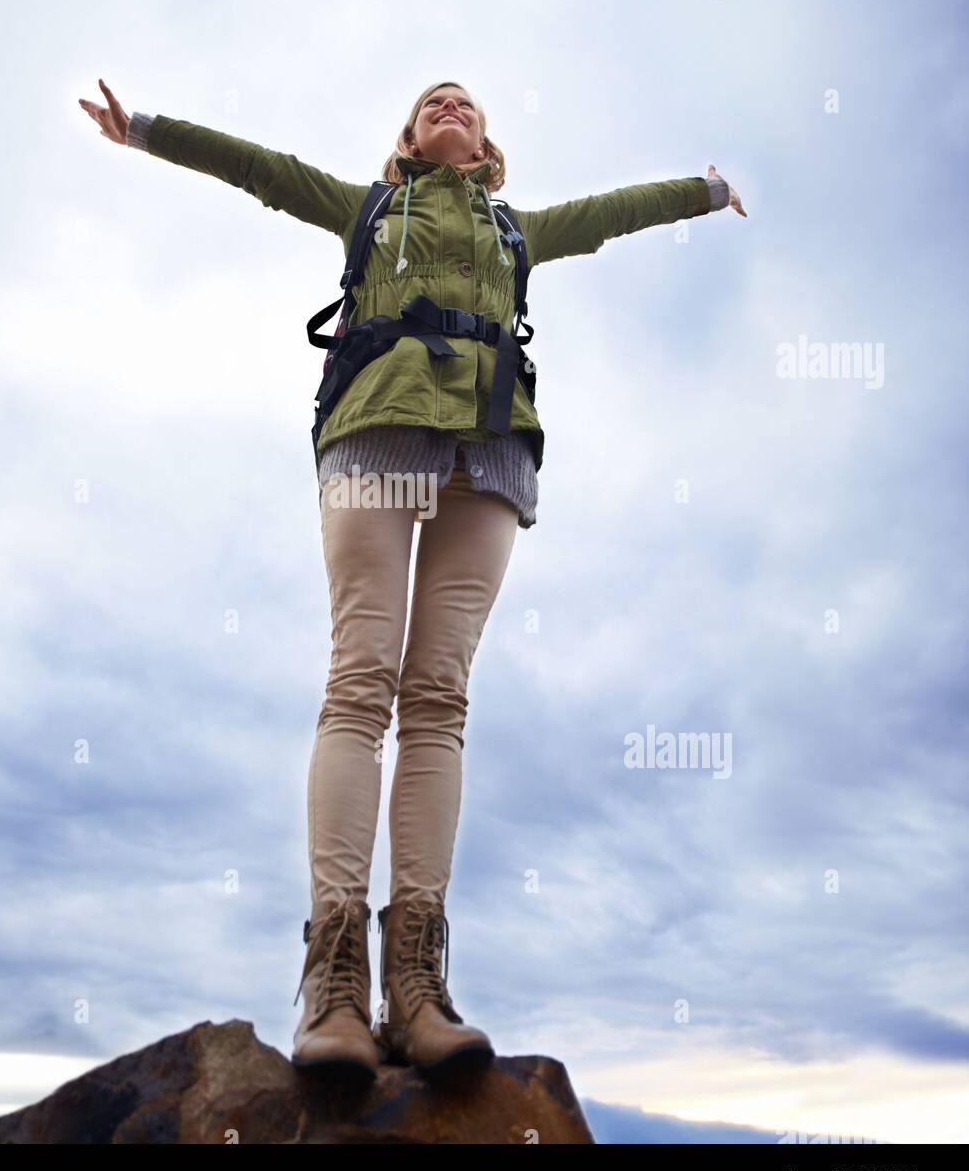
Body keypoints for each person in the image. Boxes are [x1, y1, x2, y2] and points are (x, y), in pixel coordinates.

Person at [80, 77, 746, 1084]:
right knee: (362, 681)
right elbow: (259, 169)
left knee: (439, 698)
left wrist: (703, 191)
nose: (450, 105)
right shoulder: (368, 208)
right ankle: (335, 986)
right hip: (376, 424)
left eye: (466, 104)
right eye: (432, 101)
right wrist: (146, 132)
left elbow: (613, 214)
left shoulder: (516, 229)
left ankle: (418, 989)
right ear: (408, 136)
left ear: (484, 144)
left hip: (489, 441)